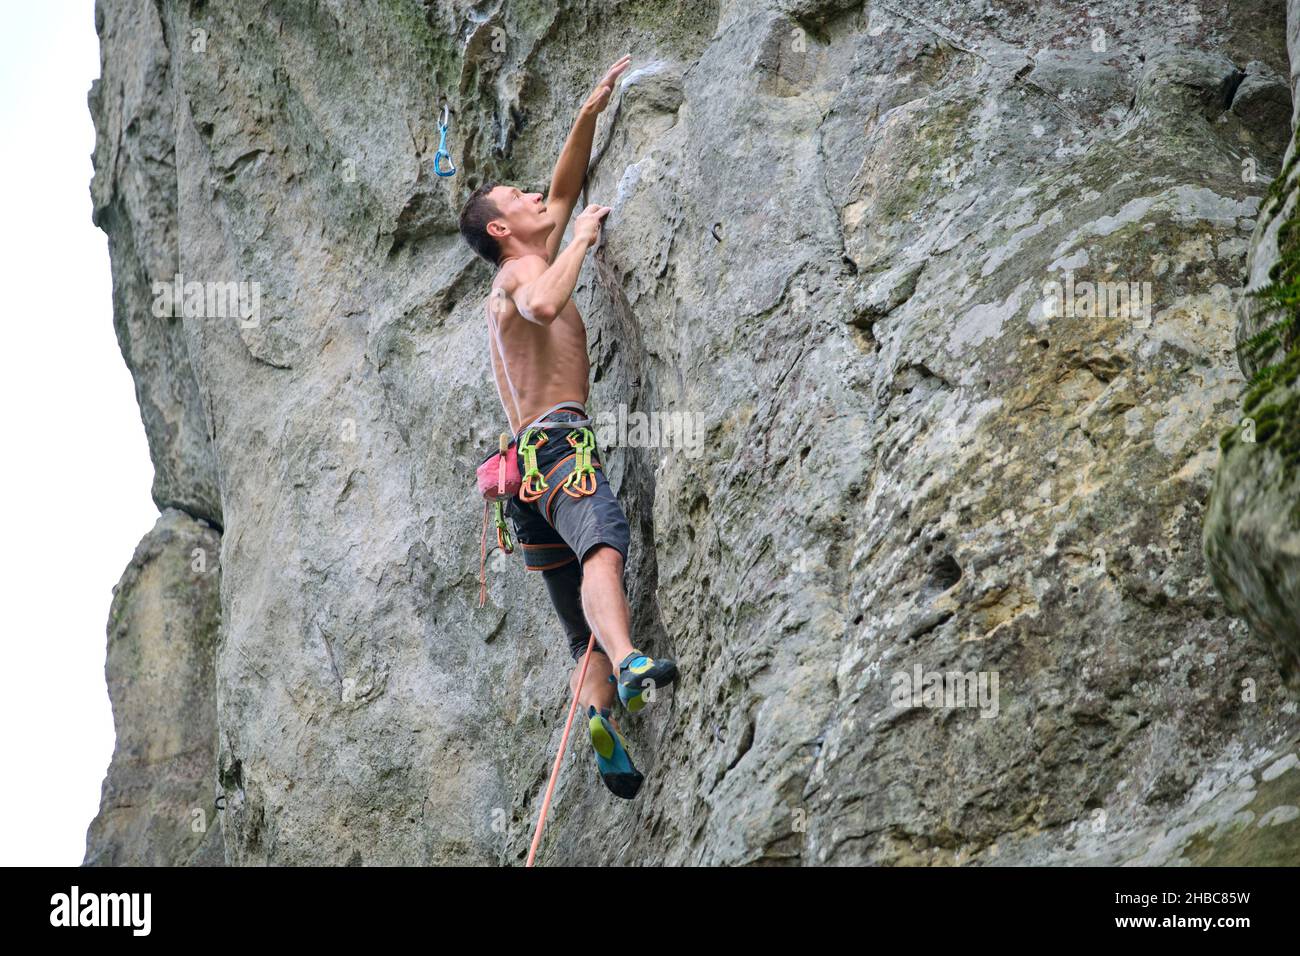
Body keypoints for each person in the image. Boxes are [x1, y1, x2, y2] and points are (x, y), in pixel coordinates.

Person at [457, 56, 678, 799]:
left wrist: (587, 114)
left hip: (525, 479)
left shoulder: (523, 257)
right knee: (604, 546)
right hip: (559, 449)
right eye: (514, 197)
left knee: (575, 625)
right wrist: (584, 237)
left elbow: (559, 189)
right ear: (500, 227)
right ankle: (630, 660)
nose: (533, 197)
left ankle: (602, 719)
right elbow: (546, 306)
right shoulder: (519, 278)